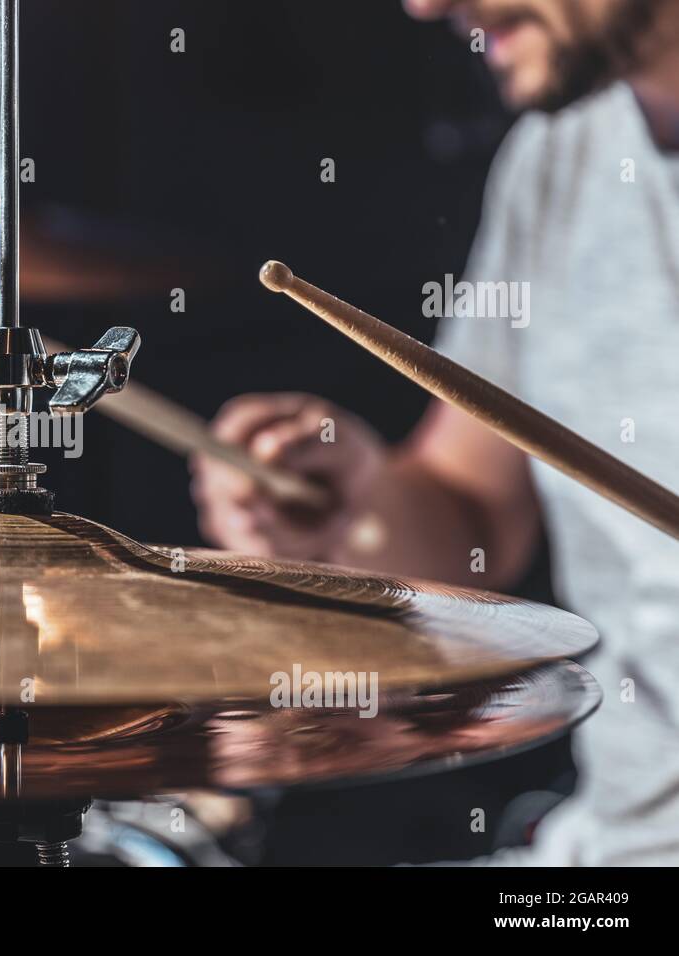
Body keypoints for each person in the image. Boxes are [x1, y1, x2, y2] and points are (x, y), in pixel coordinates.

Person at [192, 0, 679, 865]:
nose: (425, 5)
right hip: (606, 862)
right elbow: (472, 520)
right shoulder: (559, 157)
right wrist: (356, 502)